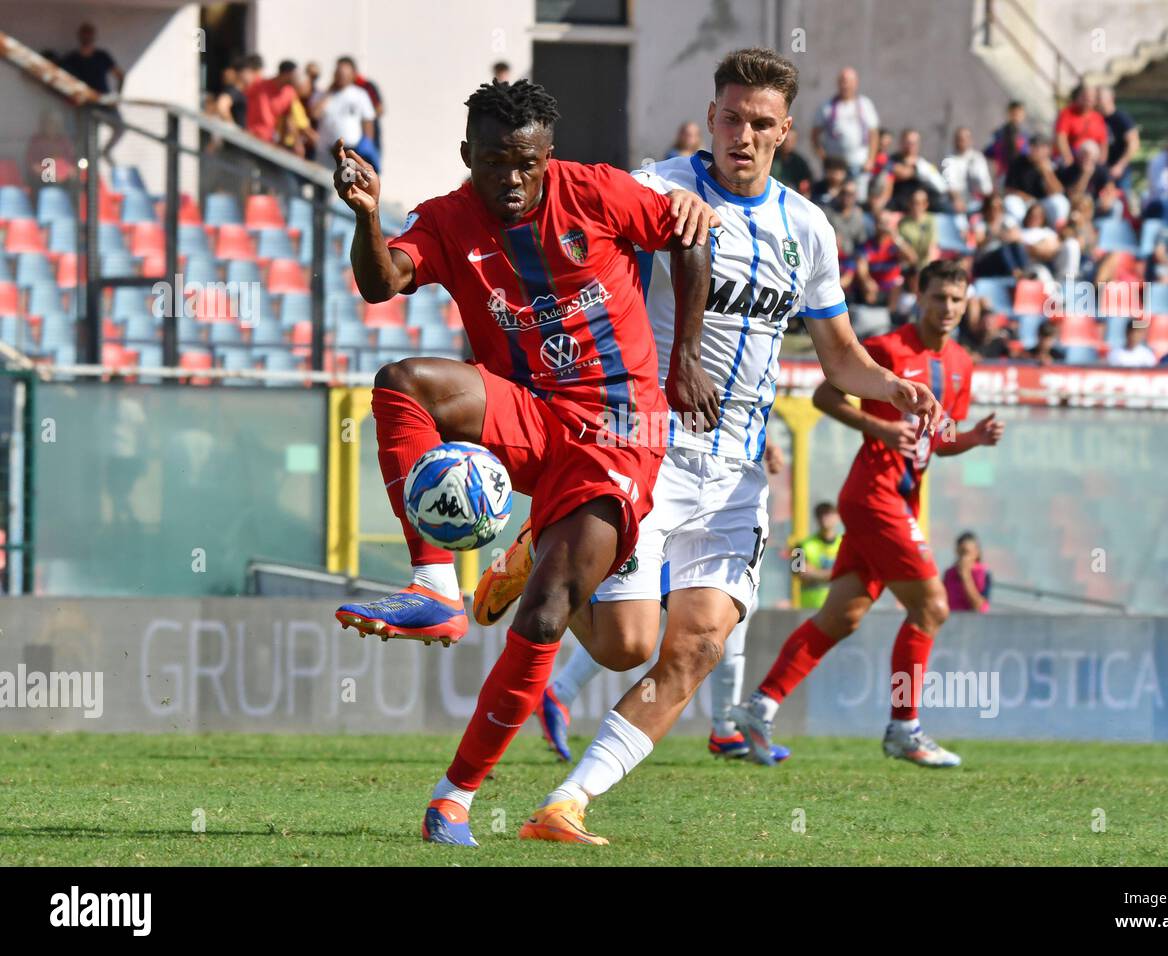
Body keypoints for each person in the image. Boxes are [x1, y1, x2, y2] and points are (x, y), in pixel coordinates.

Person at [481, 50, 940, 844]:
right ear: (713, 116)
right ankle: (543, 549)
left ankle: (566, 804)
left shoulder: (808, 228)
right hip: (645, 451)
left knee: (694, 649)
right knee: (626, 646)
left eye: (761, 124)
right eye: (732, 118)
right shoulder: (658, 189)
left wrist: (890, 386)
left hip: (734, 478)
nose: (744, 135)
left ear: (785, 132)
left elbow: (838, 357)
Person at [331, 78, 723, 847]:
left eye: (527, 164)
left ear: (549, 156)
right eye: (493, 163)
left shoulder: (599, 194)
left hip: (617, 429)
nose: (511, 181)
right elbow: (382, 283)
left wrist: (685, 358)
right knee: (401, 384)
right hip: (527, 411)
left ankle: (453, 799)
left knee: (564, 619)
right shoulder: (450, 217)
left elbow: (692, 236)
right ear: (466, 156)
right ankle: (436, 587)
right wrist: (368, 215)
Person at [730, 260, 1002, 768]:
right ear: (918, 297)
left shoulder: (962, 364)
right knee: (933, 607)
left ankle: (759, 707)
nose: (947, 308)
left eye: (957, 300)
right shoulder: (888, 350)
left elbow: (938, 443)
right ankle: (905, 728)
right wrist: (876, 429)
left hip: (897, 500)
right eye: (939, 297)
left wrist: (972, 439)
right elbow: (825, 395)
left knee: (842, 616)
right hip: (873, 493)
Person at [61, 23, 125, 161]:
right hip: (85, 105)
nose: (87, 37)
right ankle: (84, 170)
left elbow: (120, 75)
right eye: (84, 33)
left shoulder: (101, 56)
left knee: (120, 127)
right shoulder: (72, 59)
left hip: (104, 102)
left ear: (93, 36)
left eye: (89, 33)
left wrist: (116, 97)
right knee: (85, 139)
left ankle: (106, 152)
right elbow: (61, 77)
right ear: (79, 36)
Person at [812, 66, 879, 192]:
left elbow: (874, 134)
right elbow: (815, 135)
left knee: (857, 198)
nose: (845, 85)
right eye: (842, 81)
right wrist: (823, 158)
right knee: (833, 199)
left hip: (859, 165)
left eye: (849, 81)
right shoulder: (827, 107)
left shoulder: (865, 104)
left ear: (856, 83)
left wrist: (870, 160)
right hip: (835, 168)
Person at [312, 57, 377, 168]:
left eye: (345, 74)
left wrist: (367, 145)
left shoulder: (360, 94)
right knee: (325, 183)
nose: (341, 77)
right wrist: (328, 93)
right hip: (326, 152)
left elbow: (368, 122)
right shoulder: (323, 94)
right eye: (339, 73)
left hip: (350, 152)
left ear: (353, 75)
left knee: (347, 183)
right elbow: (315, 114)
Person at [1005, 134, 1066, 226]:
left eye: (1041, 147)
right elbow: (1010, 189)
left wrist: (1046, 172)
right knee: (1010, 201)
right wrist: (1030, 199)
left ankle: (1058, 230)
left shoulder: (1053, 165)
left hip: (1043, 204)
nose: (1036, 150)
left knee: (1060, 201)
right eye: (1034, 146)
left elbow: (1058, 191)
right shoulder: (1018, 163)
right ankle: (1019, 229)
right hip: (1024, 202)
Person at [795, 503, 843, 609]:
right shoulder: (801, 545)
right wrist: (835, 573)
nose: (824, 518)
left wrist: (814, 573)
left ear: (837, 517)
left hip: (839, 607)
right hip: (810, 608)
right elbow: (798, 573)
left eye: (828, 514)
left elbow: (848, 574)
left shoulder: (846, 544)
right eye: (820, 515)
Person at [244, 59, 299, 143]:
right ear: (286, 74)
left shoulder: (290, 93)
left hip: (268, 141)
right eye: (295, 75)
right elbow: (242, 102)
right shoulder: (259, 85)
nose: (297, 78)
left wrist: (291, 142)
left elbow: (287, 119)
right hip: (248, 137)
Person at [941, 126, 993, 213]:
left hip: (978, 202)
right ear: (955, 141)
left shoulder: (978, 157)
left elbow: (986, 186)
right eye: (960, 139)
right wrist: (957, 200)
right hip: (956, 203)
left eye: (966, 138)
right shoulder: (948, 159)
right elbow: (949, 184)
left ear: (970, 140)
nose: (963, 142)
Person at [1097, 87, 1139, 190]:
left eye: (1100, 98)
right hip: (1101, 169)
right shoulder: (1096, 119)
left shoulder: (1121, 119)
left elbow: (1134, 144)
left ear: (1111, 99)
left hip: (1119, 170)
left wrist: (1120, 166)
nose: (1097, 101)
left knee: (1122, 199)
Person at [1053, 83, 1107, 163]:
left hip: (1090, 160)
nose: (1088, 99)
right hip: (1072, 157)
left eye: (1092, 97)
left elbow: (1103, 142)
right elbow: (1061, 138)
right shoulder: (1067, 114)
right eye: (1085, 96)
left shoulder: (1098, 117)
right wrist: (1068, 158)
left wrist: (1102, 161)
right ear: (1078, 97)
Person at [943, 532, 990, 612]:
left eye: (966, 553)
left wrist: (966, 576)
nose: (963, 558)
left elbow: (978, 606)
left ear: (976, 553)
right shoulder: (949, 574)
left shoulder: (984, 574)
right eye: (961, 553)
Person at [985, 100, 1031, 182]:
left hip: (1021, 174)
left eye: (1019, 114)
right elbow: (988, 152)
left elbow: (1027, 154)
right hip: (1003, 174)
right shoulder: (999, 134)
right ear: (1008, 114)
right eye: (1014, 114)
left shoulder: (1026, 136)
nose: (1016, 117)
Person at [770, 124, 814, 195]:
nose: (787, 143)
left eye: (791, 141)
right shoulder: (770, 158)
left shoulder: (800, 163)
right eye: (786, 140)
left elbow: (805, 185)